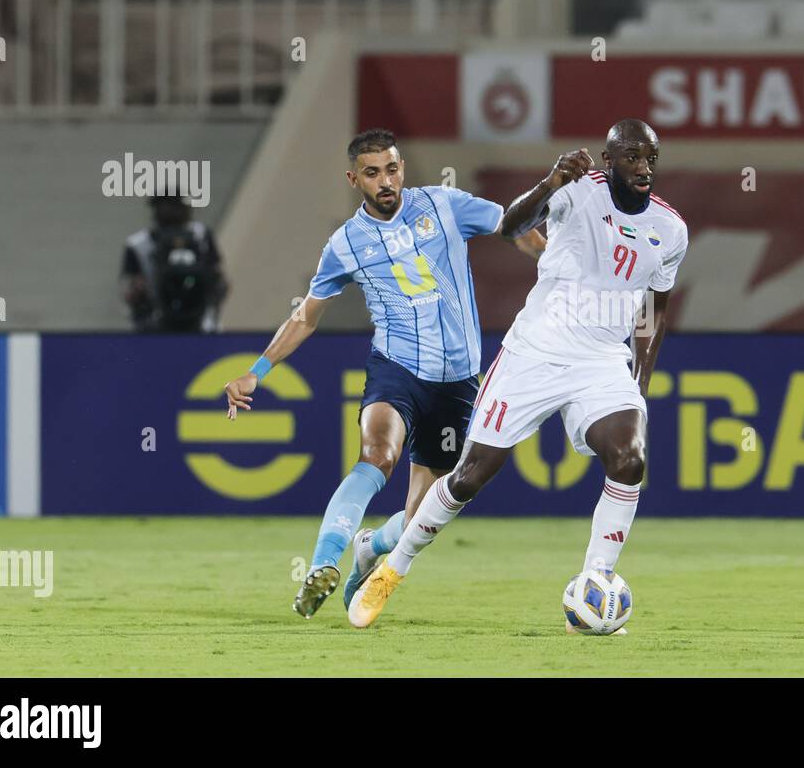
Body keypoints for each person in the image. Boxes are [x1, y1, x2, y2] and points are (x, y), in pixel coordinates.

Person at [348, 119, 688, 634]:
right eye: (633, 157)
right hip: (536, 349)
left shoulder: (671, 230)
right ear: (610, 159)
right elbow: (510, 226)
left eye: (651, 158)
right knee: (469, 476)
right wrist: (551, 181)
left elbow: (654, 311)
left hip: (601, 361)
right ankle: (394, 566)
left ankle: (595, 581)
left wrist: (638, 384)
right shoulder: (576, 190)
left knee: (630, 456)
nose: (644, 168)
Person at [222, 128, 544, 619]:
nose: (385, 180)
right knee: (378, 455)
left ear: (401, 169)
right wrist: (256, 371)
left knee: (423, 516)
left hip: (458, 380)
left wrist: (552, 258)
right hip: (396, 367)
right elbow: (306, 315)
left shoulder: (444, 205)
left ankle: (370, 548)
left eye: (392, 169)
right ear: (354, 179)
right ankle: (322, 564)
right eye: (372, 173)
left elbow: (514, 225)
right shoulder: (346, 243)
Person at [121, 194, 228, 332]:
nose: (173, 212)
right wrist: (138, 292)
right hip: (155, 319)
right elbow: (130, 287)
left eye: (178, 206)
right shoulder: (138, 244)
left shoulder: (201, 235)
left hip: (201, 318)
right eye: (167, 206)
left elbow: (216, 271)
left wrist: (215, 286)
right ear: (156, 210)